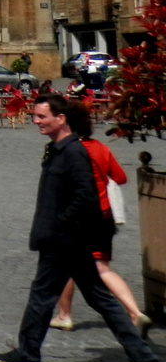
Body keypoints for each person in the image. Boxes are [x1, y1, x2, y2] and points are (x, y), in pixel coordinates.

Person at [0, 93, 160, 362]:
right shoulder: (59, 149)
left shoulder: (73, 152)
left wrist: (61, 225)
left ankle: (29, 352)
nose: (36, 121)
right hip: (71, 239)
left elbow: (86, 196)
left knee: (42, 294)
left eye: (42, 117)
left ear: (61, 118)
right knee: (99, 298)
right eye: (35, 116)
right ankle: (143, 357)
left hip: (64, 239)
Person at [50, 103, 151, 335]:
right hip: (104, 216)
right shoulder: (100, 148)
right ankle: (135, 312)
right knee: (101, 267)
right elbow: (120, 177)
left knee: (66, 265)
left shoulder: (69, 151)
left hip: (80, 217)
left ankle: (65, 315)